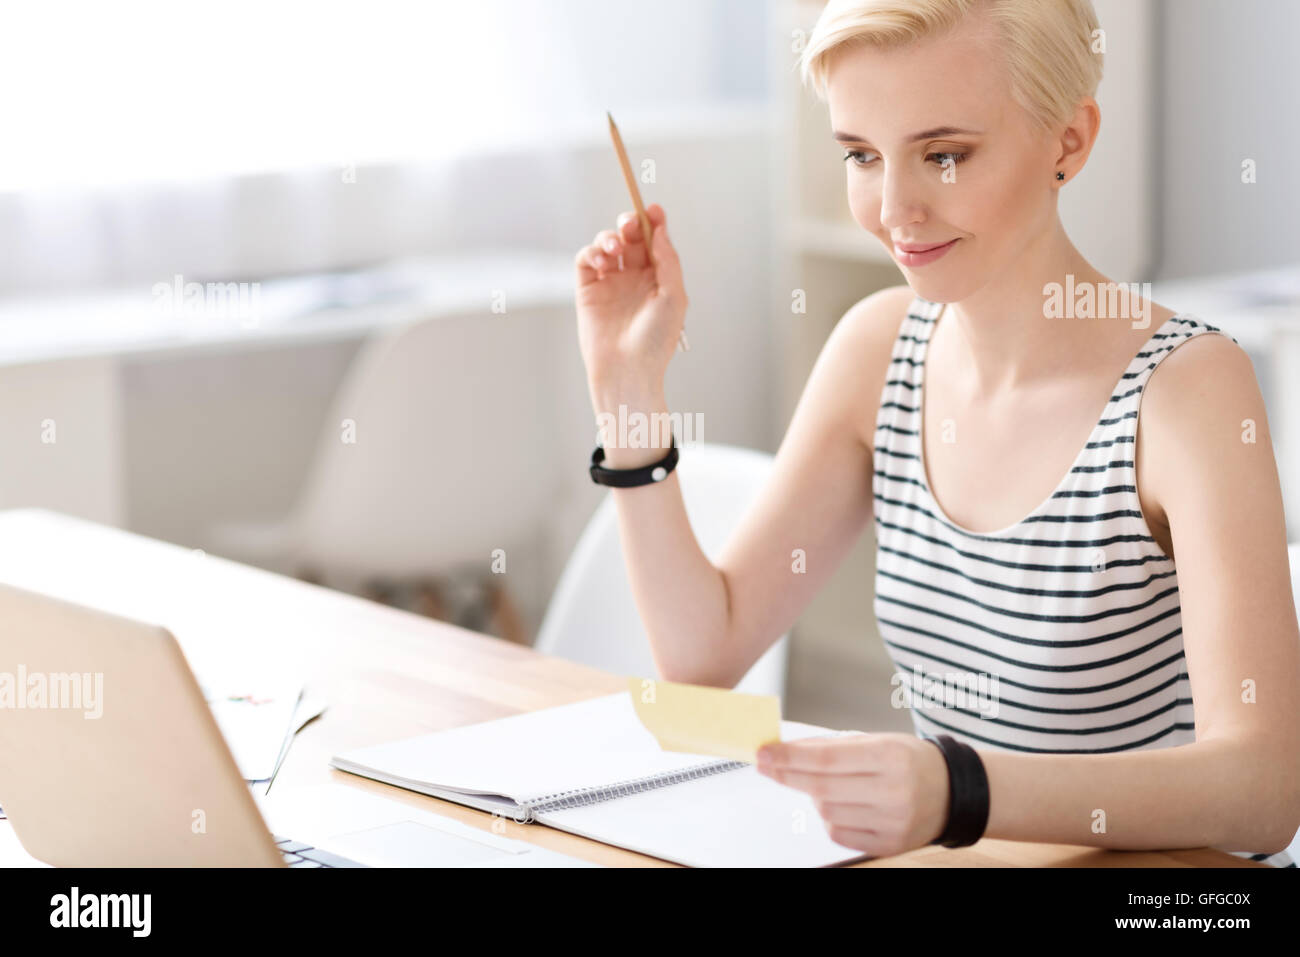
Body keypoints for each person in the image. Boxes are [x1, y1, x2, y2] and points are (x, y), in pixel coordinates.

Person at [571, 0, 1299, 866]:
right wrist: (626, 387)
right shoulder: (879, 352)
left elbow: (1262, 792)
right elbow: (701, 660)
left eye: (944, 154)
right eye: (862, 157)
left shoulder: (1187, 390)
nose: (895, 209)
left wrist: (958, 789)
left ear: (1068, 141)